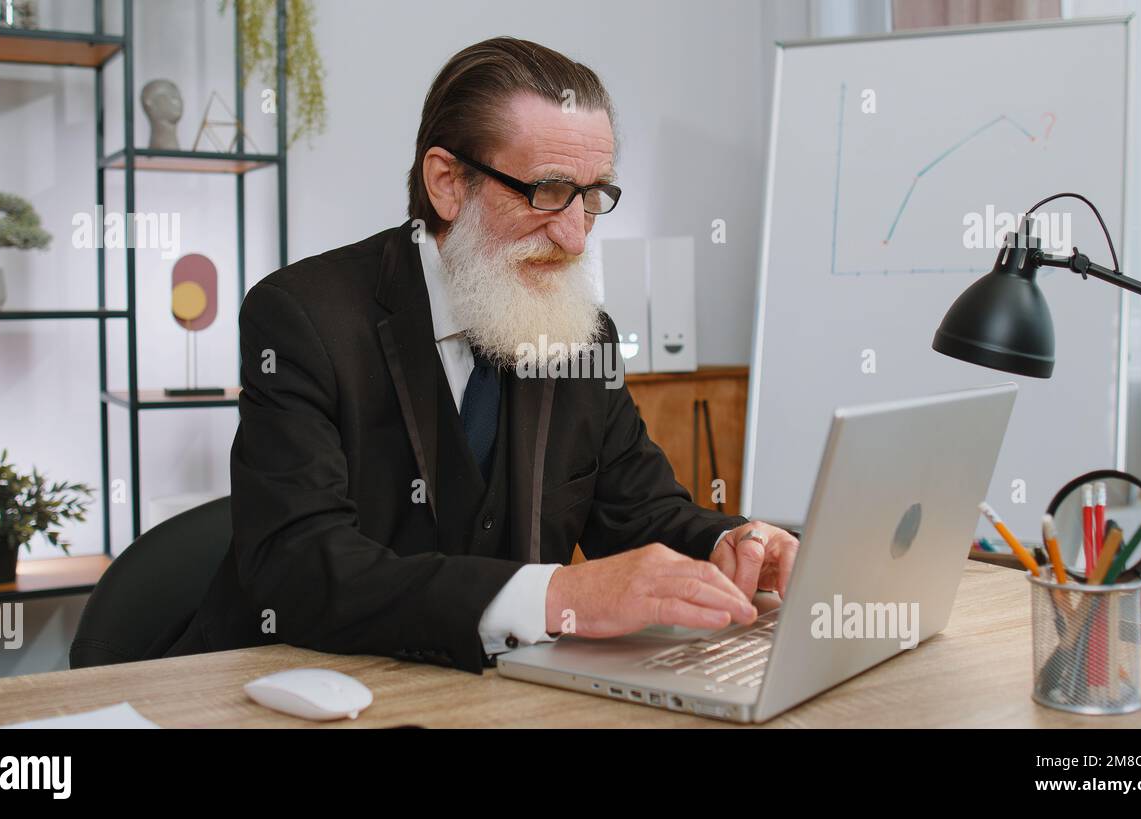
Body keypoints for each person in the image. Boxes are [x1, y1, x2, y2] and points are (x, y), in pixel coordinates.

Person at [164, 37, 798, 672]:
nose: (575, 238)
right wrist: (558, 596)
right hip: (284, 684)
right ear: (447, 183)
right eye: (548, 191)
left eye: (593, 194)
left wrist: (732, 543)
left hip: (491, 695)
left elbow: (642, 511)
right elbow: (298, 564)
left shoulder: (584, 335)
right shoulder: (303, 317)